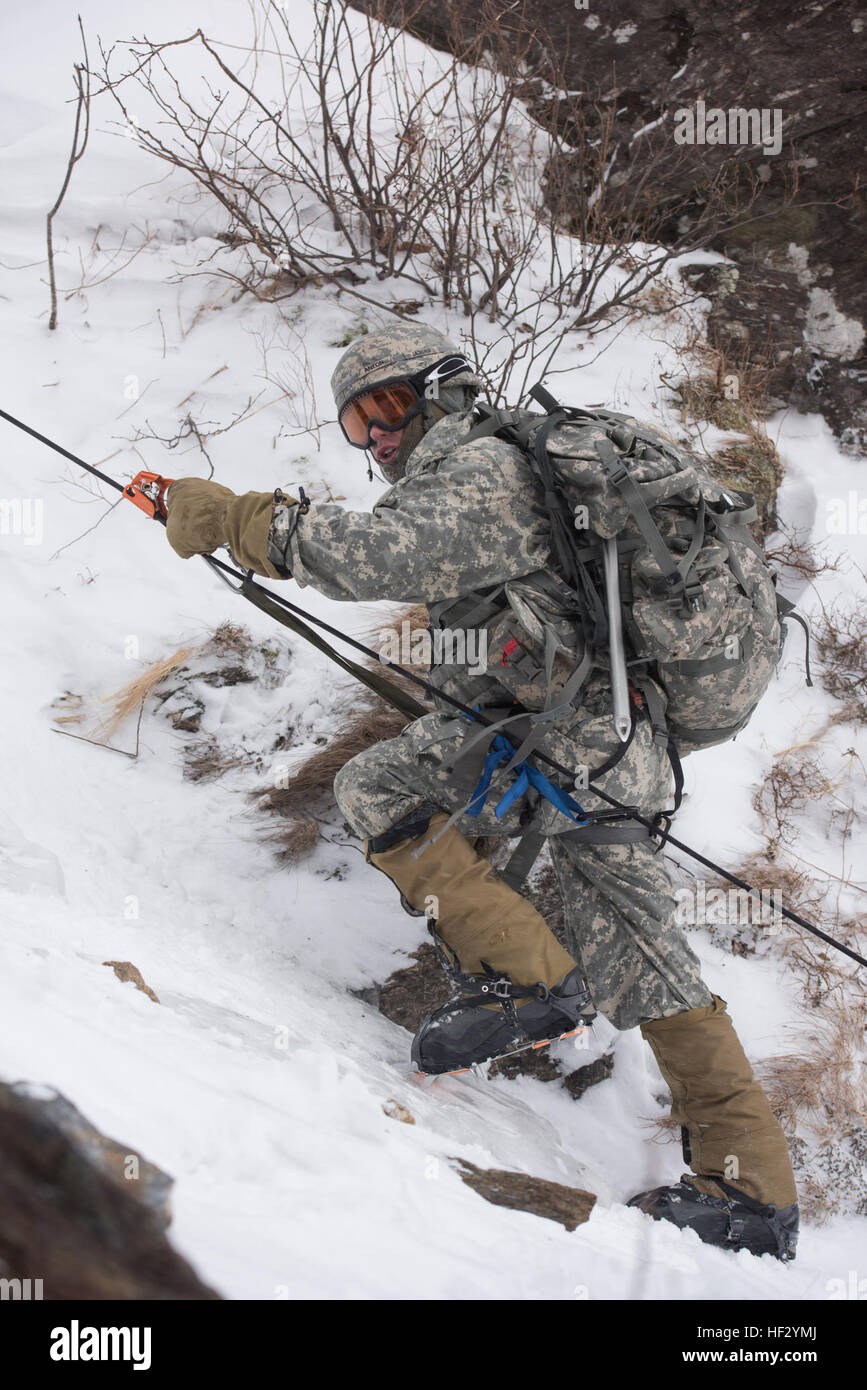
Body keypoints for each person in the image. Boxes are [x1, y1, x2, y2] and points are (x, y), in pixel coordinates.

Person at [164, 322, 799, 1260]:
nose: (377, 437)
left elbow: (372, 557)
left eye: (388, 407)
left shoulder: (485, 471)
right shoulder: (509, 474)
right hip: (579, 737)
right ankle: (561, 1010)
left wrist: (234, 519)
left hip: (577, 741)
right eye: (356, 423)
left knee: (406, 805)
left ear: (446, 391)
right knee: (626, 948)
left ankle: (559, 1010)